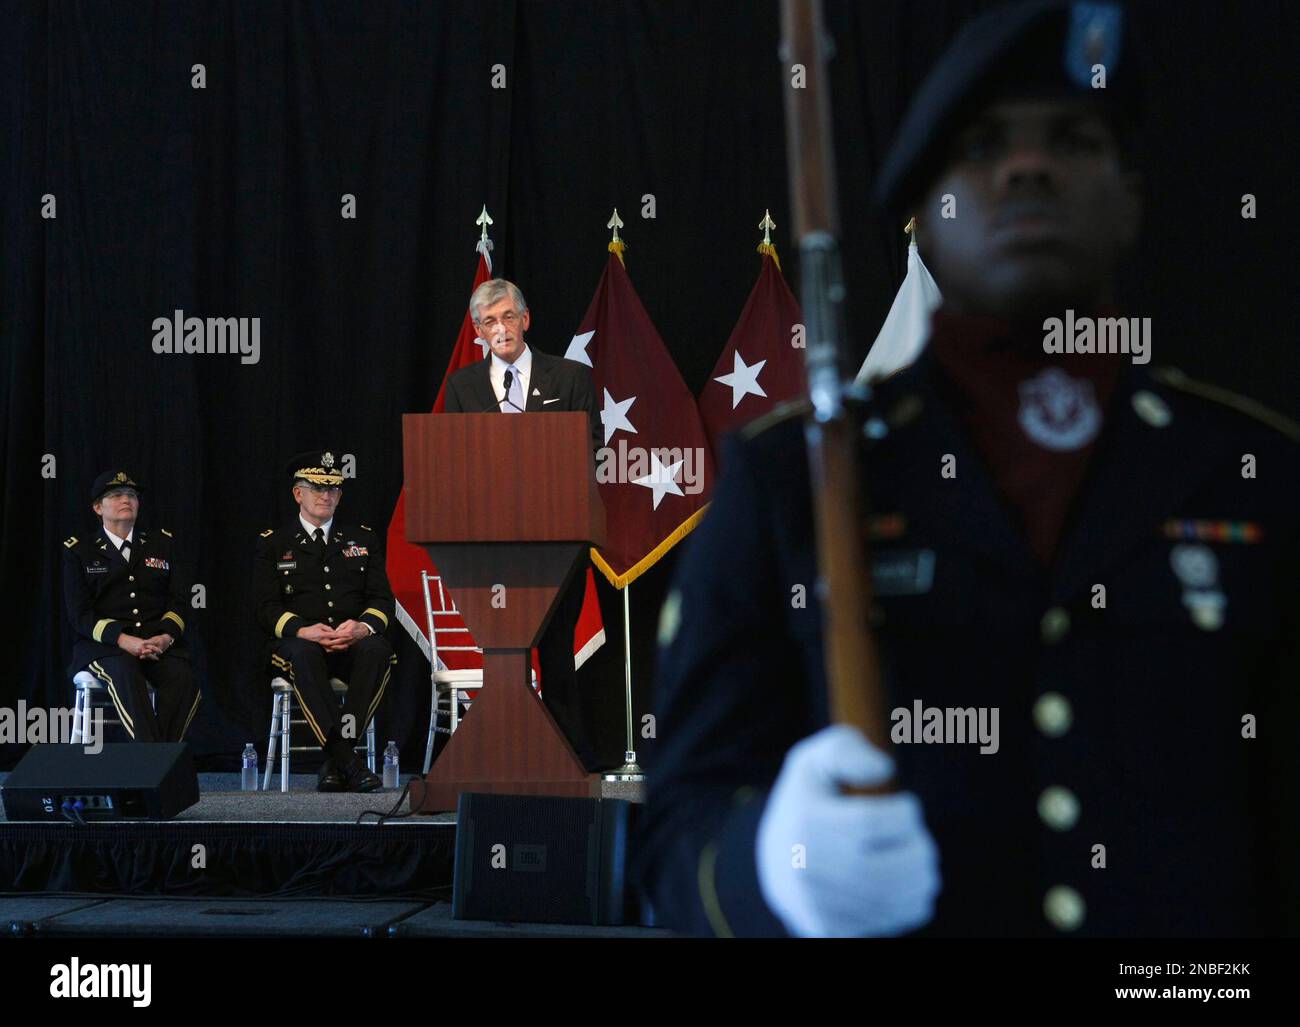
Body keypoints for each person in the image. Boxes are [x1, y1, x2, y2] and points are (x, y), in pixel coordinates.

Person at [639, 0, 1299, 937]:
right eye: (984, 146)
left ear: (1130, 200)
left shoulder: (1253, 475)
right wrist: (770, 867)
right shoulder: (788, 479)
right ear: (924, 206)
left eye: (1073, 139)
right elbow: (672, 846)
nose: (1028, 165)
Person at [444, 277, 605, 771]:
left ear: (525, 319)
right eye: (489, 321)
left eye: (508, 317)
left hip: (557, 537)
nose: (500, 328)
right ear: (477, 330)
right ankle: (502, 754)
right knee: (503, 649)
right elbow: (453, 458)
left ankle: (567, 756)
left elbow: (589, 448)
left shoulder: (570, 378)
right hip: (489, 543)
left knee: (556, 649)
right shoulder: (463, 387)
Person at [254, 451, 395, 792]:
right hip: (299, 643)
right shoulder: (273, 542)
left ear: (340, 495)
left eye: (332, 489)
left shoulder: (363, 538)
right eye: (316, 488)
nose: (325, 495)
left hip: (351, 640)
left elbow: (382, 600)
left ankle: (335, 762)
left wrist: (362, 627)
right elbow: (264, 607)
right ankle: (349, 761)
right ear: (297, 494)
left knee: (378, 650)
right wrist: (303, 629)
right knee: (303, 655)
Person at [63, 470, 201, 742]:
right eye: (115, 496)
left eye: (131, 495)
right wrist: (123, 640)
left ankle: (159, 761)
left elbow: (179, 601)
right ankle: (151, 764)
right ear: (97, 507)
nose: (125, 500)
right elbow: (80, 615)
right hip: (106, 648)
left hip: (155, 644)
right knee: (127, 676)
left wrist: (165, 637)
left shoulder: (162, 545)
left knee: (183, 680)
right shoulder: (80, 550)